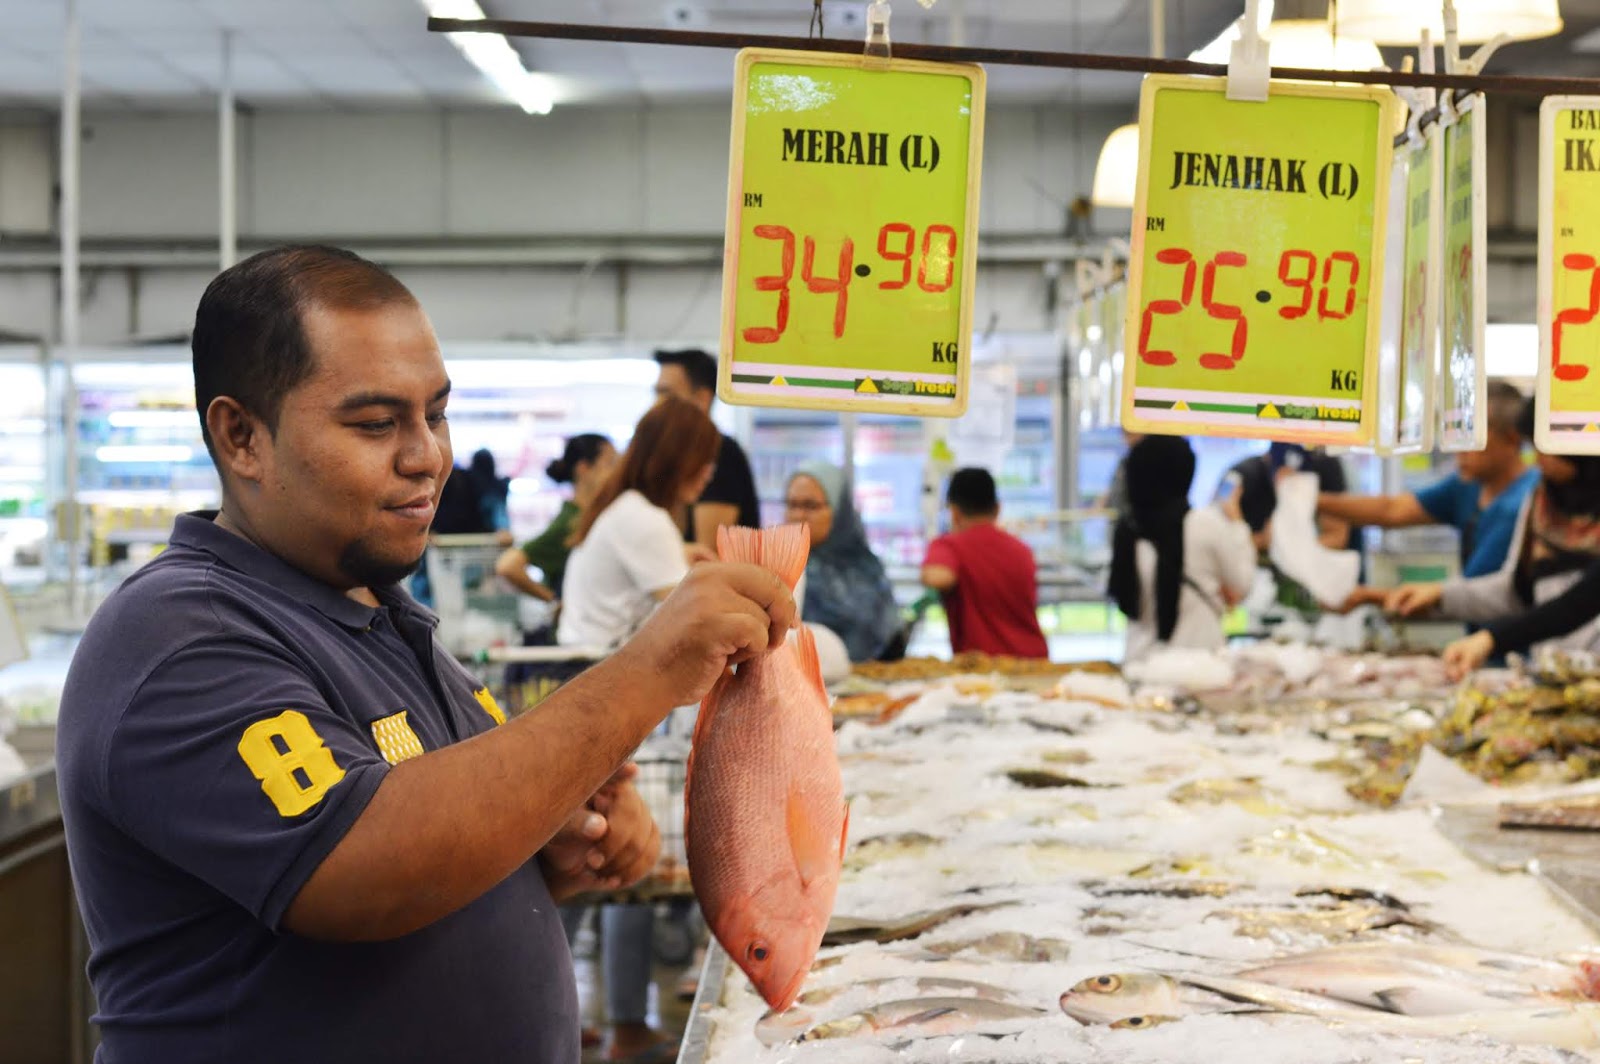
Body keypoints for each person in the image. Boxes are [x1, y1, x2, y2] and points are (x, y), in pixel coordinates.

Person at [53, 246, 798, 1064]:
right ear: (242, 437)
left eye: (435, 416)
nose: (427, 456)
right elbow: (362, 865)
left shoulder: (384, 615)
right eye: (376, 424)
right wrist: (644, 675)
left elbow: (440, 843)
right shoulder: (178, 635)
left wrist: (548, 844)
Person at [557, 396, 721, 1061]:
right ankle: (623, 1025)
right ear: (679, 461)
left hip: (584, 694)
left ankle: (576, 1014)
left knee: (588, 861)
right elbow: (692, 616)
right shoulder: (644, 519)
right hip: (605, 704)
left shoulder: (624, 512)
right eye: (703, 462)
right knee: (622, 863)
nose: (707, 476)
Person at [1389, 422, 1600, 679]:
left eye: (1547, 450)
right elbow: (1517, 590)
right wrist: (1441, 594)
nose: (1538, 460)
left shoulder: (1518, 502)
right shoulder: (1541, 502)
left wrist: (1491, 639)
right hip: (1556, 676)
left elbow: (1581, 602)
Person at [1322, 381, 1535, 610]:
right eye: (1457, 432)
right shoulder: (1466, 485)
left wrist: (1370, 596)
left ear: (1511, 439)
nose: (1459, 448)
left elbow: (1480, 594)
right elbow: (1392, 510)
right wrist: (1311, 498)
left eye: (1471, 435)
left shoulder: (1523, 502)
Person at [1109, 435, 1259, 662]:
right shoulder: (1204, 524)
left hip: (1140, 663)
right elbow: (1242, 584)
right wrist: (1238, 523)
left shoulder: (1126, 531)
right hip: (1199, 665)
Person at [920, 467, 1049, 659]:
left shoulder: (950, 546)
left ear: (954, 512)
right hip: (1034, 662)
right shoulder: (1021, 550)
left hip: (984, 666)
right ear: (997, 509)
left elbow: (937, 577)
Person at [784, 462, 902, 662]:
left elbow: (887, 640)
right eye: (792, 505)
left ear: (840, 509)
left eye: (810, 506)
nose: (798, 515)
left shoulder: (866, 570)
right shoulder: (780, 567)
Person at [495, 433, 616, 606]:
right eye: (610, 463)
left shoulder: (587, 516)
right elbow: (508, 566)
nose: (616, 472)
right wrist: (555, 602)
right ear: (583, 468)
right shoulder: (571, 522)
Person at [653, 348, 760, 544]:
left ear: (702, 398)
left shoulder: (719, 452)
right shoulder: (674, 453)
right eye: (657, 393)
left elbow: (707, 551)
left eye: (667, 394)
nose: (658, 404)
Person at [466, 446, 511, 534]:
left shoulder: (467, 483)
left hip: (467, 532)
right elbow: (500, 512)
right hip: (492, 535)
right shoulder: (498, 486)